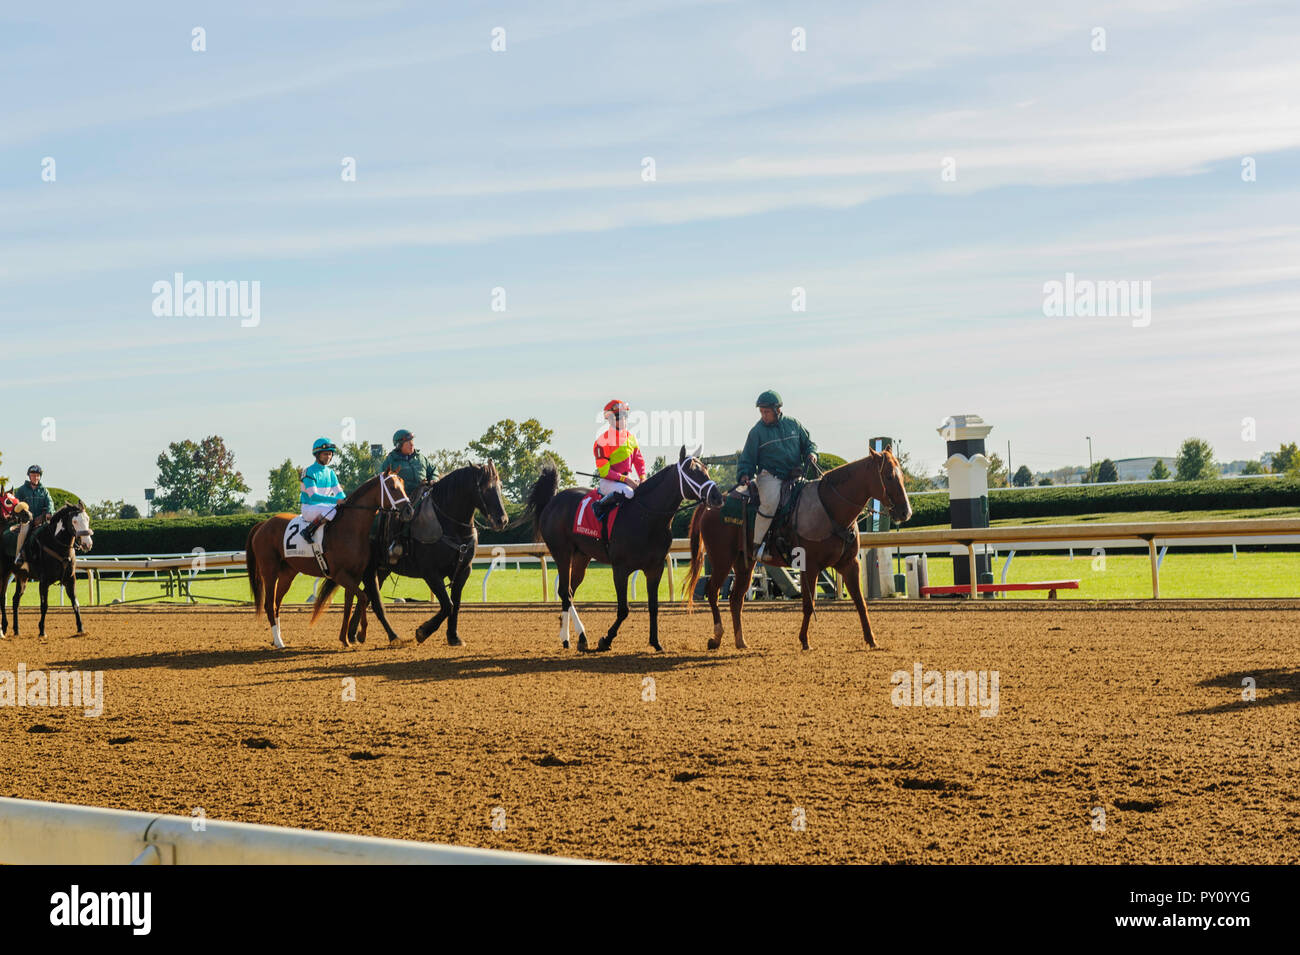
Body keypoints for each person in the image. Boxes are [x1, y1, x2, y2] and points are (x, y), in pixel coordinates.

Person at [736, 390, 817, 559]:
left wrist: (812, 453)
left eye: (766, 412)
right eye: (761, 412)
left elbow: (809, 443)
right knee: (770, 503)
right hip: (769, 477)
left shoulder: (793, 424)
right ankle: (758, 547)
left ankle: (810, 543)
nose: (763, 415)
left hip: (795, 477)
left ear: (777, 409)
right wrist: (744, 474)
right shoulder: (756, 432)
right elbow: (747, 459)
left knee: (811, 500)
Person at [592, 399, 646, 525]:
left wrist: (642, 479)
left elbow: (639, 461)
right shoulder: (602, 441)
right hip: (608, 482)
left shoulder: (631, 438)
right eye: (618, 417)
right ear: (610, 419)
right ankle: (599, 505)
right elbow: (604, 471)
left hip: (627, 480)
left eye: (625, 416)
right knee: (628, 492)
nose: (623, 420)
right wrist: (626, 480)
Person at [299, 438, 346, 544]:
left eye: (330, 454)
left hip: (324, 507)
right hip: (309, 508)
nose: (328, 457)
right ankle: (308, 530)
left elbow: (339, 492)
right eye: (325, 454)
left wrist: (345, 500)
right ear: (317, 455)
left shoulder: (331, 473)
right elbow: (314, 497)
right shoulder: (309, 471)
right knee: (332, 510)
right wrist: (336, 501)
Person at [13, 465, 53, 572]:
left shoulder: (44, 491)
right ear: (29, 476)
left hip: (42, 521)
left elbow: (50, 504)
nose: (35, 477)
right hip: (27, 522)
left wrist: (48, 513)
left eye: (37, 475)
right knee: (23, 531)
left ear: (40, 477)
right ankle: (19, 555)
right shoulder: (21, 490)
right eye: (33, 475)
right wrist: (25, 516)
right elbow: (16, 506)